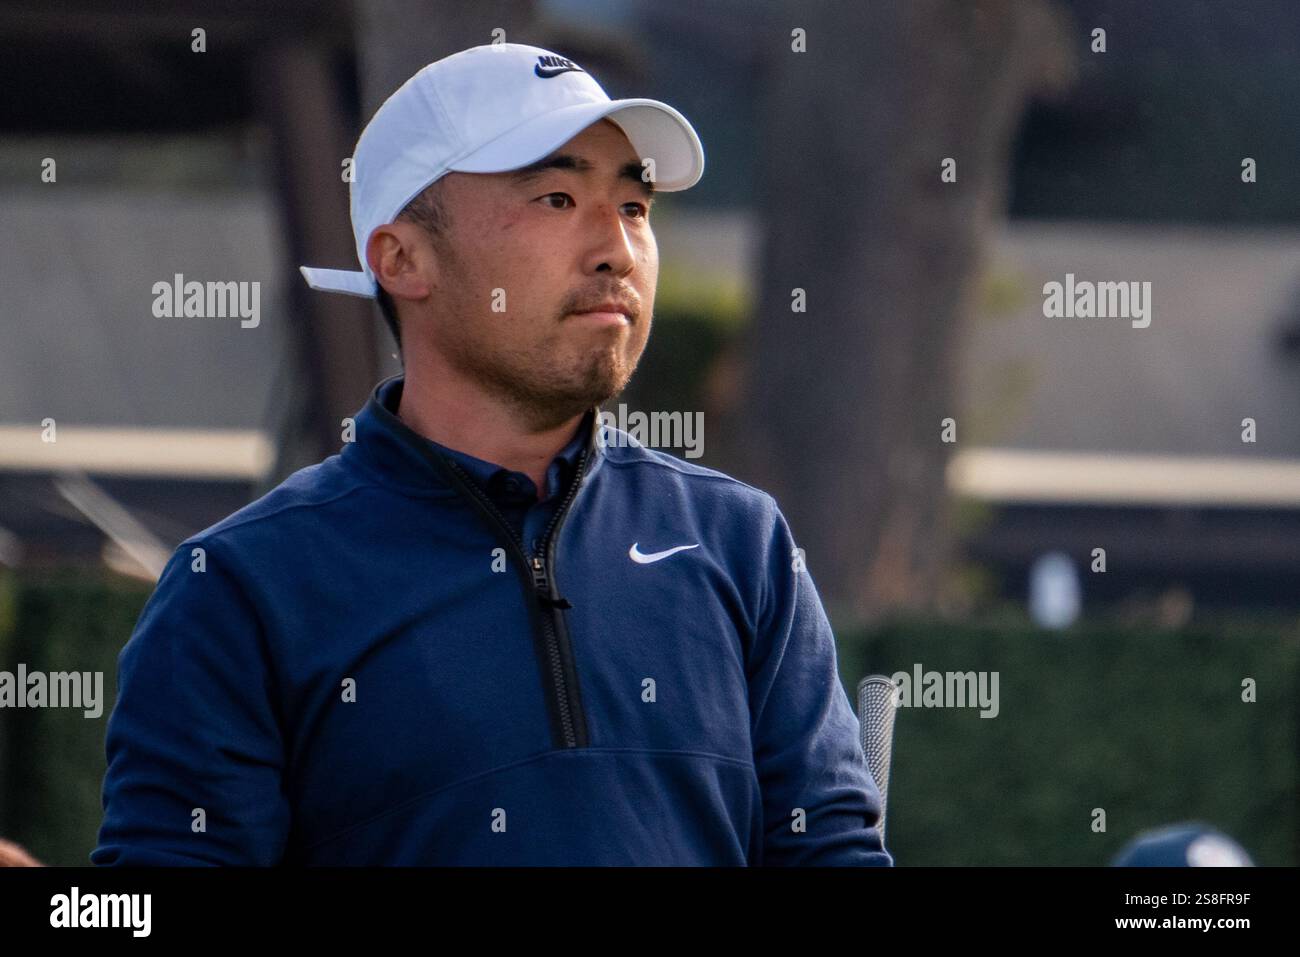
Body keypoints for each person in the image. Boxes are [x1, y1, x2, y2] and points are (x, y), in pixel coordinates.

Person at [92, 42, 891, 866]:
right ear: (401, 259)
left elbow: (832, 850)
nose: (617, 247)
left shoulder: (742, 541)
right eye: (556, 196)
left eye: (635, 207)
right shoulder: (236, 591)